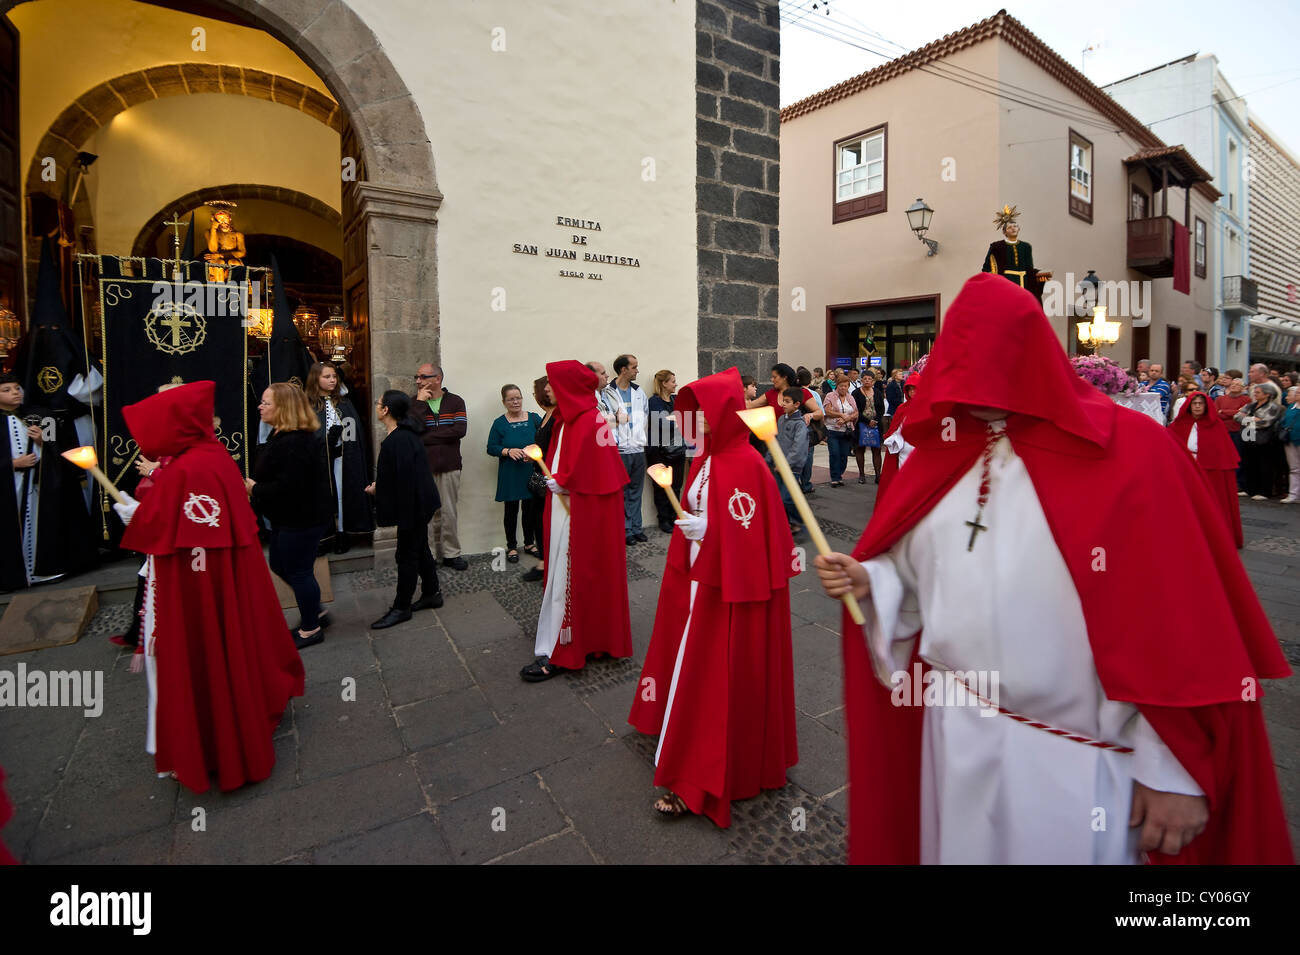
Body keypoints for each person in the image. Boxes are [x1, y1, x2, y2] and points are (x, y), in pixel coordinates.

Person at [813, 274, 1291, 865]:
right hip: (955, 739)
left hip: (1078, 759)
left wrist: (1172, 768)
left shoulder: (1132, 452)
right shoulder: (938, 453)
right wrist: (875, 581)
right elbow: (919, 570)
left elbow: (1182, 625)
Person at [113, 381, 304, 794]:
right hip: (211, 578)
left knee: (210, 655)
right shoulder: (205, 458)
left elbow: (190, 540)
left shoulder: (192, 468)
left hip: (199, 589)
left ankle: (220, 743)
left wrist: (139, 516)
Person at [628, 367, 798, 824]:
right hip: (701, 583)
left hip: (729, 592)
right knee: (692, 667)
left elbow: (755, 538)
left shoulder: (747, 465)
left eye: (702, 411)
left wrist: (711, 531)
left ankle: (703, 771)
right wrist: (696, 531)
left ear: (723, 412)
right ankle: (679, 736)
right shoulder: (706, 461)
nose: (695, 419)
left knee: (717, 676)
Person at [520, 360, 632, 681]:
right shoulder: (568, 421)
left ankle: (565, 650)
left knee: (571, 580)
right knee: (565, 577)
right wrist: (561, 480)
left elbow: (600, 479)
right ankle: (579, 638)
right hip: (564, 511)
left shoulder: (589, 422)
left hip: (578, 517)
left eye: (553, 384)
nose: (547, 389)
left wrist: (567, 483)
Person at [248, 383, 334, 649]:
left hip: (302, 517)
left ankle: (311, 628)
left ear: (283, 408)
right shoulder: (282, 434)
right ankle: (315, 610)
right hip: (288, 517)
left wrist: (255, 489)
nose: (260, 407)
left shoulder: (295, 440)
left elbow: (291, 486)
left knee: (298, 571)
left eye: (266, 403)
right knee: (280, 564)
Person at [0, 372, 97, 591]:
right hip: (10, 485)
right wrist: (12, 464)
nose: (14, 393)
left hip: (38, 485)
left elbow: (59, 445)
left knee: (42, 522)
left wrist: (43, 440)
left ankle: (45, 569)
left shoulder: (43, 416)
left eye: (17, 388)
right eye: (6, 390)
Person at [366, 390, 443, 628]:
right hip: (418, 502)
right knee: (419, 549)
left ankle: (401, 607)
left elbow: (406, 479)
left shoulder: (399, 439)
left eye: (378, 403)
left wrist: (379, 490)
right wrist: (382, 485)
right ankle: (432, 593)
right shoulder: (401, 435)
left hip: (414, 505)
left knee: (406, 555)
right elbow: (401, 474)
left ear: (386, 410)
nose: (376, 406)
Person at [305, 361, 373, 554]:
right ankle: (324, 537)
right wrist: (323, 441)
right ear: (315, 379)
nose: (332, 380)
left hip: (342, 459)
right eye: (327, 377)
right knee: (321, 497)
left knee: (343, 496)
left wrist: (342, 441)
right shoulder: (307, 404)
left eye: (334, 376)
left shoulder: (344, 402)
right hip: (318, 461)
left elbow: (352, 433)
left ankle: (342, 534)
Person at [1169, 392, 1242, 548]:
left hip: (1209, 469)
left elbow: (1222, 452)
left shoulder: (1216, 425)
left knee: (1209, 500)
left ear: (1206, 406)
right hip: (1185, 466)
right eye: (1194, 403)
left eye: (1200, 403)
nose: (1197, 406)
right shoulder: (1178, 424)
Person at [414, 363, 468, 571]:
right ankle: (428, 555)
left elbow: (459, 430)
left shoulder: (455, 402)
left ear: (437, 379)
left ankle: (451, 554)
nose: (418, 381)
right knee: (426, 514)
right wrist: (420, 404)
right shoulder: (414, 402)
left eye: (422, 377)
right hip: (424, 468)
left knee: (449, 512)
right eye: (416, 377)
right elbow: (412, 429)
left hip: (450, 465)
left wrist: (426, 437)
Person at [486, 384, 541, 562]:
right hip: (510, 472)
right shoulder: (499, 423)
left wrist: (534, 453)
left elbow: (545, 440)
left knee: (529, 510)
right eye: (511, 399)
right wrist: (508, 451)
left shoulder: (534, 418)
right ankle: (511, 546)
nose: (515, 401)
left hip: (530, 471)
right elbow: (491, 447)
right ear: (504, 402)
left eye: (518, 397)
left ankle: (529, 543)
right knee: (511, 511)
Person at [748, 363, 823, 493]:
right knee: (781, 486)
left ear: (784, 377)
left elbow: (819, 412)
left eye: (774, 377)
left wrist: (810, 415)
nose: (772, 380)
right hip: (777, 444)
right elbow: (750, 406)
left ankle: (791, 504)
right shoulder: (771, 394)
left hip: (794, 444)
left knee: (787, 487)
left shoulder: (801, 392)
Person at [604, 354, 649, 546]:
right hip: (619, 450)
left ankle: (636, 528)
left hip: (638, 449)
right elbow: (604, 419)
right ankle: (625, 529)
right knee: (621, 492)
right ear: (623, 370)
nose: (637, 370)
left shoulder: (639, 392)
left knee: (636, 491)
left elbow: (645, 416)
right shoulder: (607, 393)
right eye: (634, 367)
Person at [980, 204, 1051, 304]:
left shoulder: (1026, 247)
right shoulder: (997, 247)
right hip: (1006, 284)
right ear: (1004, 232)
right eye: (1009, 227)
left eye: (1015, 226)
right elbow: (987, 268)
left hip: (1024, 285)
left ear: (1019, 229)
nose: (1013, 228)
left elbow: (1029, 270)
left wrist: (1040, 273)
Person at [522, 376, 556, 583]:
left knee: (543, 523)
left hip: (548, 481)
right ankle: (544, 560)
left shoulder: (556, 419)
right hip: (538, 479)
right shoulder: (546, 415)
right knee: (536, 521)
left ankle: (546, 563)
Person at [646, 370, 686, 534]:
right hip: (658, 450)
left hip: (677, 449)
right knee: (661, 487)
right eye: (673, 381)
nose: (676, 384)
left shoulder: (676, 400)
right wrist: (676, 420)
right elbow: (661, 424)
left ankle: (673, 516)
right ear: (664, 383)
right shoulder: (654, 402)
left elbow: (685, 420)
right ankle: (663, 519)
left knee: (676, 486)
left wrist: (675, 420)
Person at [1235, 382, 1283, 501]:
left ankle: (1264, 491)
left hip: (1264, 439)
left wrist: (1246, 419)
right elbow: (1236, 417)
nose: (1255, 394)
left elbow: (1266, 422)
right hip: (1248, 435)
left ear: (1267, 394)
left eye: (1258, 392)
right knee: (1248, 463)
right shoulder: (1251, 405)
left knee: (1264, 464)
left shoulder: (1274, 407)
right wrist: (1252, 419)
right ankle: (1250, 489)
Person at [877, 372, 921, 503]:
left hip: (920, 449)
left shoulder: (926, 407)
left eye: (915, 389)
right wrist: (893, 439)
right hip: (905, 448)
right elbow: (896, 428)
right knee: (904, 478)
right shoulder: (902, 408)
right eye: (910, 389)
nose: (913, 392)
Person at [773, 387, 808, 537]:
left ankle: (800, 520)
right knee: (780, 497)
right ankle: (789, 523)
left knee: (786, 497)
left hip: (792, 467)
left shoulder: (800, 424)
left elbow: (798, 448)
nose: (783, 404)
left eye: (787, 402)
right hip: (779, 466)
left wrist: (786, 464)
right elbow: (776, 440)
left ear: (796, 404)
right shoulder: (781, 419)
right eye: (783, 401)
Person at [822, 374, 858, 487]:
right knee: (834, 454)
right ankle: (835, 477)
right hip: (832, 430)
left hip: (846, 431)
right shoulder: (830, 396)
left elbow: (856, 412)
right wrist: (841, 415)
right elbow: (827, 411)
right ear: (837, 386)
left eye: (846, 386)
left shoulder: (850, 397)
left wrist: (847, 418)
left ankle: (840, 474)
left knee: (844, 455)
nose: (843, 388)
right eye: (841, 386)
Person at [1216, 377, 1250, 493]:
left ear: (1243, 388)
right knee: (1222, 458)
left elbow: (1242, 414)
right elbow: (1216, 413)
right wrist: (1233, 412)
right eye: (1233, 384)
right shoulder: (1220, 399)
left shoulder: (1246, 400)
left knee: (1238, 458)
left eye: (1237, 384)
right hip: (1223, 431)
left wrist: (1224, 411)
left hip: (1238, 431)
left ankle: (1238, 483)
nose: (1234, 386)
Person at [1280, 386, 1300, 504]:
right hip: (1290, 440)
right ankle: (1293, 494)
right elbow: (1284, 422)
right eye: (1296, 392)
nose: (1297, 394)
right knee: (1294, 468)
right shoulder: (1291, 408)